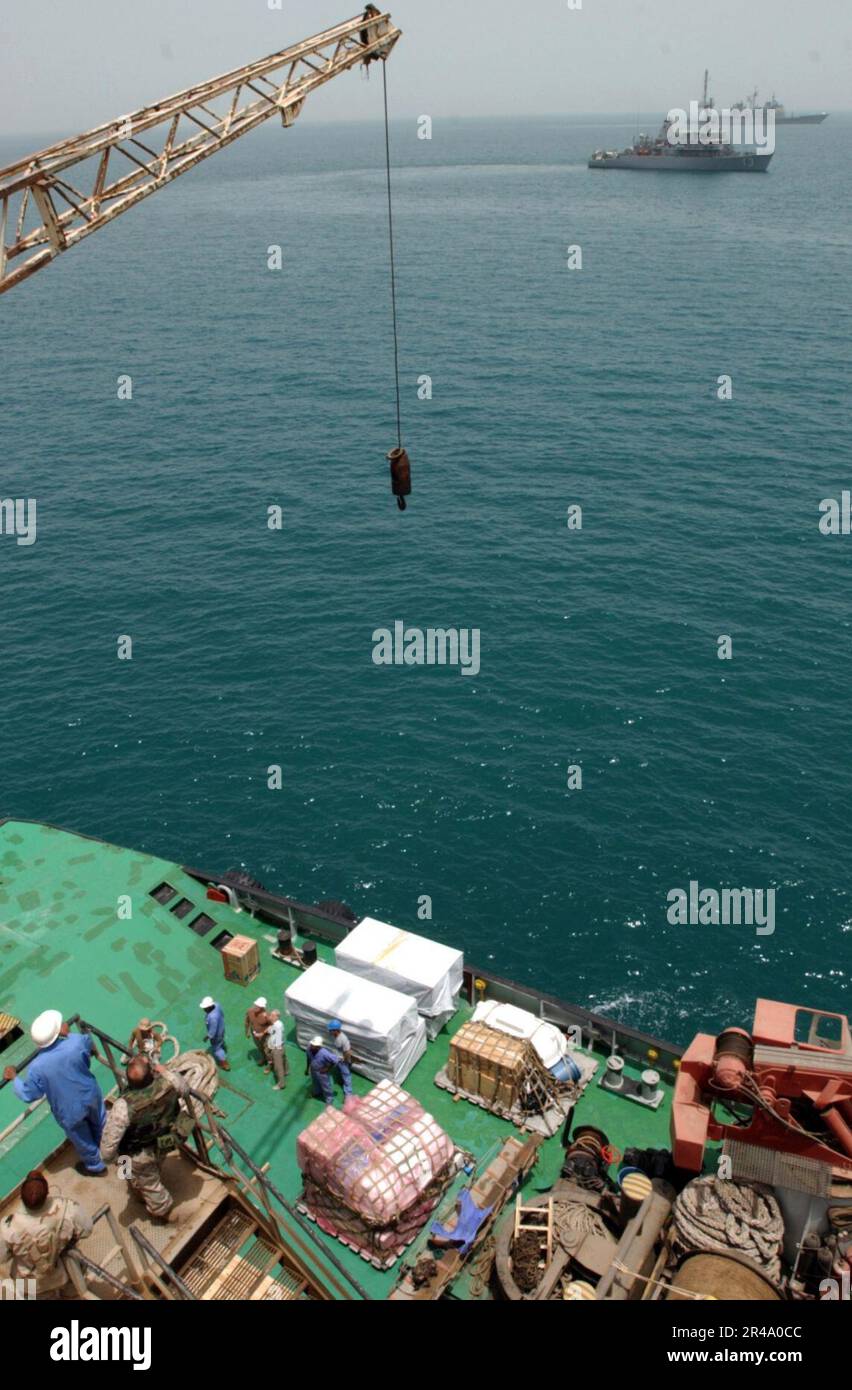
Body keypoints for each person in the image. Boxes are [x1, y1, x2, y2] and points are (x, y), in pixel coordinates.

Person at [3, 1012, 106, 1177]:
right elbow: (88, 1045)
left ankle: (96, 1166)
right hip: (90, 1094)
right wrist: (68, 1033)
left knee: (82, 1140)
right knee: (101, 1123)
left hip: (68, 1110)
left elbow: (28, 1094)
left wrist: (14, 1078)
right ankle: (112, 1150)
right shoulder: (76, 1042)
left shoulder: (36, 1067)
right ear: (58, 1031)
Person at [99, 1056, 191, 1221]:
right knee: (152, 1163)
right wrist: (164, 1071)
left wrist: (116, 1158)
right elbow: (185, 1089)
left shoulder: (123, 1107)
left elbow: (106, 1153)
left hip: (138, 1154)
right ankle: (137, 1178)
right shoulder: (170, 1082)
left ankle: (161, 1210)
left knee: (147, 1182)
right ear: (152, 1073)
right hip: (166, 1140)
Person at [0, 1170, 92, 1297]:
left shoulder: (7, 1227)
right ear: (47, 1192)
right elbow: (87, 1230)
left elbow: (2, 1258)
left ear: (21, 1197)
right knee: (73, 1286)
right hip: (61, 1272)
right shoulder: (67, 1208)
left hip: (28, 1283)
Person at [305, 1037, 341, 1106]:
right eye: (311, 1044)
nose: (311, 1046)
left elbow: (336, 1060)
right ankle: (317, 1092)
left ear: (318, 1047)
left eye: (313, 1046)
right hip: (313, 1070)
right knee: (315, 1082)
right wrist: (307, 1068)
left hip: (322, 1072)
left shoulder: (324, 1053)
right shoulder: (309, 1049)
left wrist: (327, 1068)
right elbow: (308, 1058)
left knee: (325, 1085)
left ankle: (329, 1098)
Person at [199, 997, 229, 1070]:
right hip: (221, 1029)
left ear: (209, 1007)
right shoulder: (217, 1005)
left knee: (217, 1049)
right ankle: (223, 1045)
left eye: (205, 1008)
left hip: (216, 1035)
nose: (204, 1009)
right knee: (221, 1041)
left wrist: (207, 1037)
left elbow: (212, 1031)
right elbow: (222, 1014)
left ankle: (224, 1064)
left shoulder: (212, 1018)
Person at [327, 1020, 353, 1098]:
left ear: (336, 1030)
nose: (329, 1032)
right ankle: (341, 1081)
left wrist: (345, 1060)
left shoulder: (343, 1039)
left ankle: (348, 1095)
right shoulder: (335, 1036)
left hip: (342, 1061)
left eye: (331, 1030)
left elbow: (348, 1052)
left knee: (346, 1075)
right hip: (337, 1059)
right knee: (339, 1071)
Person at [245, 998, 272, 1070]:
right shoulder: (250, 1011)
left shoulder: (267, 1016)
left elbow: (272, 1026)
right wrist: (247, 1031)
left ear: (262, 1008)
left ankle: (270, 1064)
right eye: (255, 1005)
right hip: (255, 1035)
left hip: (266, 1037)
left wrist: (263, 1033)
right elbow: (247, 1021)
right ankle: (264, 1059)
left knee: (268, 1052)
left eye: (258, 1006)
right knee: (260, 1048)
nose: (255, 1007)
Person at [266, 1011, 287, 1092]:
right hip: (280, 1047)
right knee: (284, 1059)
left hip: (277, 1049)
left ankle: (281, 1084)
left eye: (272, 1015)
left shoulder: (277, 1026)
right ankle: (286, 1071)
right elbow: (271, 1031)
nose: (270, 1016)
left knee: (278, 1067)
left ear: (276, 1017)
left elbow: (278, 1037)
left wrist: (277, 1047)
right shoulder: (277, 1024)